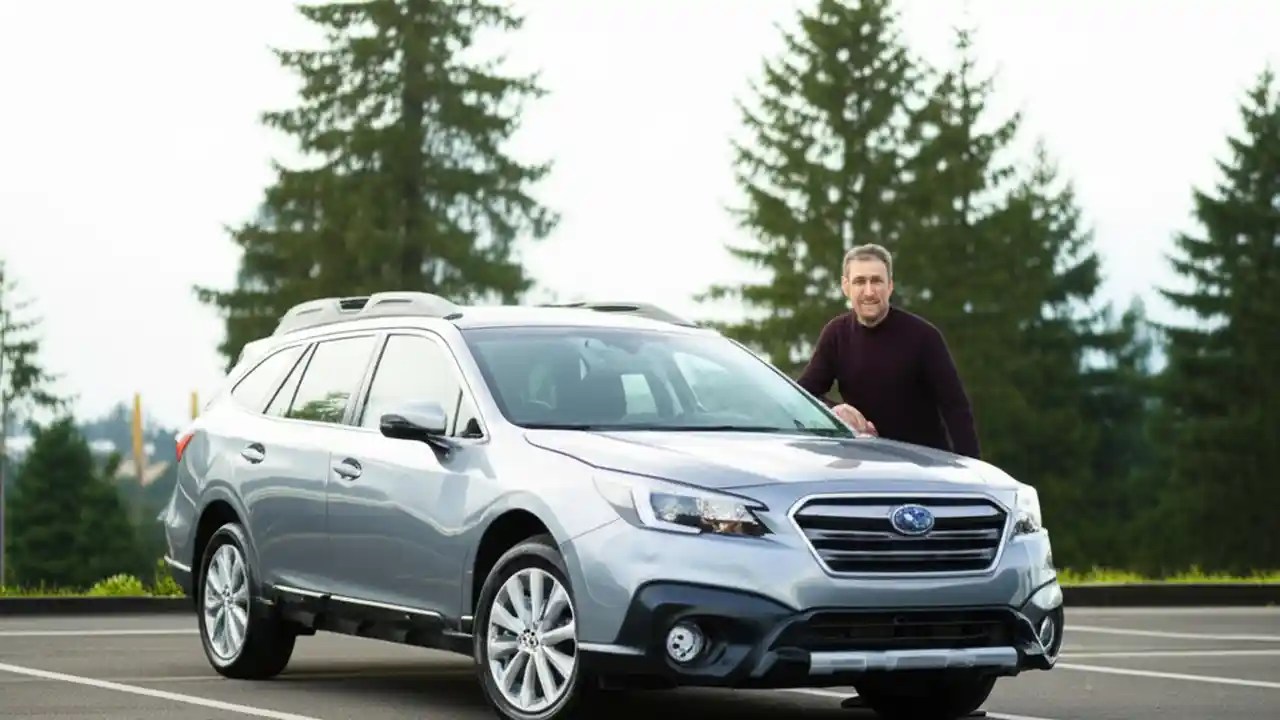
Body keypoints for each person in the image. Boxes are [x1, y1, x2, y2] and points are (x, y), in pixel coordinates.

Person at [796, 243, 981, 459]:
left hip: (925, 467)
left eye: (876, 281)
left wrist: (973, 469)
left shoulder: (923, 336)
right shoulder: (836, 334)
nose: (869, 291)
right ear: (845, 286)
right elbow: (802, 396)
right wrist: (836, 411)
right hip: (866, 464)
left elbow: (956, 408)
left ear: (890, 286)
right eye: (859, 282)